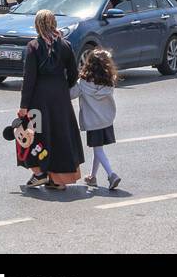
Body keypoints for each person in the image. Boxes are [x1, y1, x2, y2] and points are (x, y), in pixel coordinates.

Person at [18, 10, 83, 191]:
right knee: (60, 136)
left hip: (38, 100)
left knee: (37, 135)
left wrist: (24, 106)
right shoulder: (65, 45)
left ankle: (39, 173)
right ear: (54, 24)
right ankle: (57, 179)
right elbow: (73, 73)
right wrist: (63, 87)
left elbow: (29, 79)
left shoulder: (33, 46)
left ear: (38, 25)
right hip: (60, 99)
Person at [71, 48, 121, 192]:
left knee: (98, 149)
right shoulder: (109, 81)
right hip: (106, 120)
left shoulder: (84, 83)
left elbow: (71, 94)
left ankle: (111, 175)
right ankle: (92, 177)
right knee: (98, 149)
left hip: (93, 122)